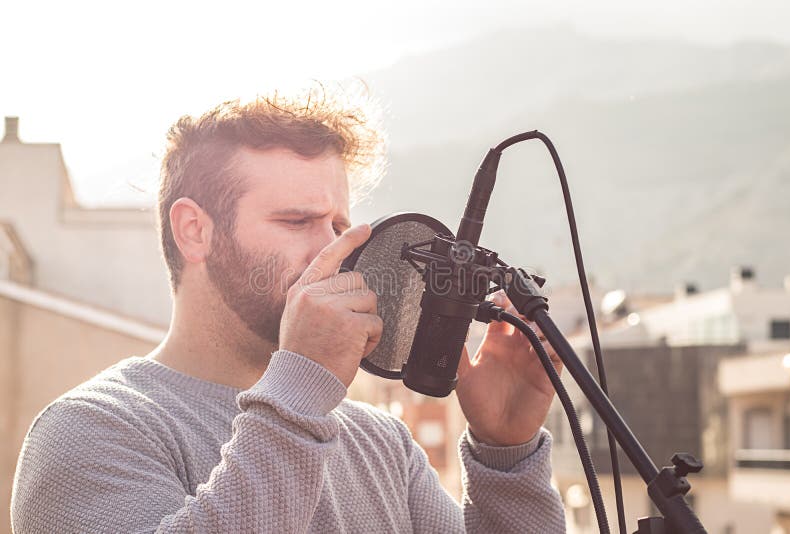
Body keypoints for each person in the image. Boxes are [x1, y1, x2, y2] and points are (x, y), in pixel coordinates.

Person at [11, 85, 567, 533]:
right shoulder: (88, 431)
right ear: (195, 231)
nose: (334, 250)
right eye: (297, 221)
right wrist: (302, 390)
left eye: (340, 226)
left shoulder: (382, 444)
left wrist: (505, 457)